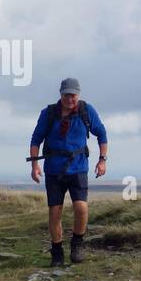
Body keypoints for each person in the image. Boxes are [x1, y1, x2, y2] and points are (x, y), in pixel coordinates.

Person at [29, 77, 108, 266]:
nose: (69, 99)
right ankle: (57, 251)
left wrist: (102, 160)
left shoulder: (86, 111)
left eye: (73, 95)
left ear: (78, 94)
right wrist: (34, 166)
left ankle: (77, 243)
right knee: (55, 212)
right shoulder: (48, 113)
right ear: (61, 94)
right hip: (54, 170)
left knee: (81, 207)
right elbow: (35, 140)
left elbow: (102, 134)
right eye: (66, 95)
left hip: (78, 167)